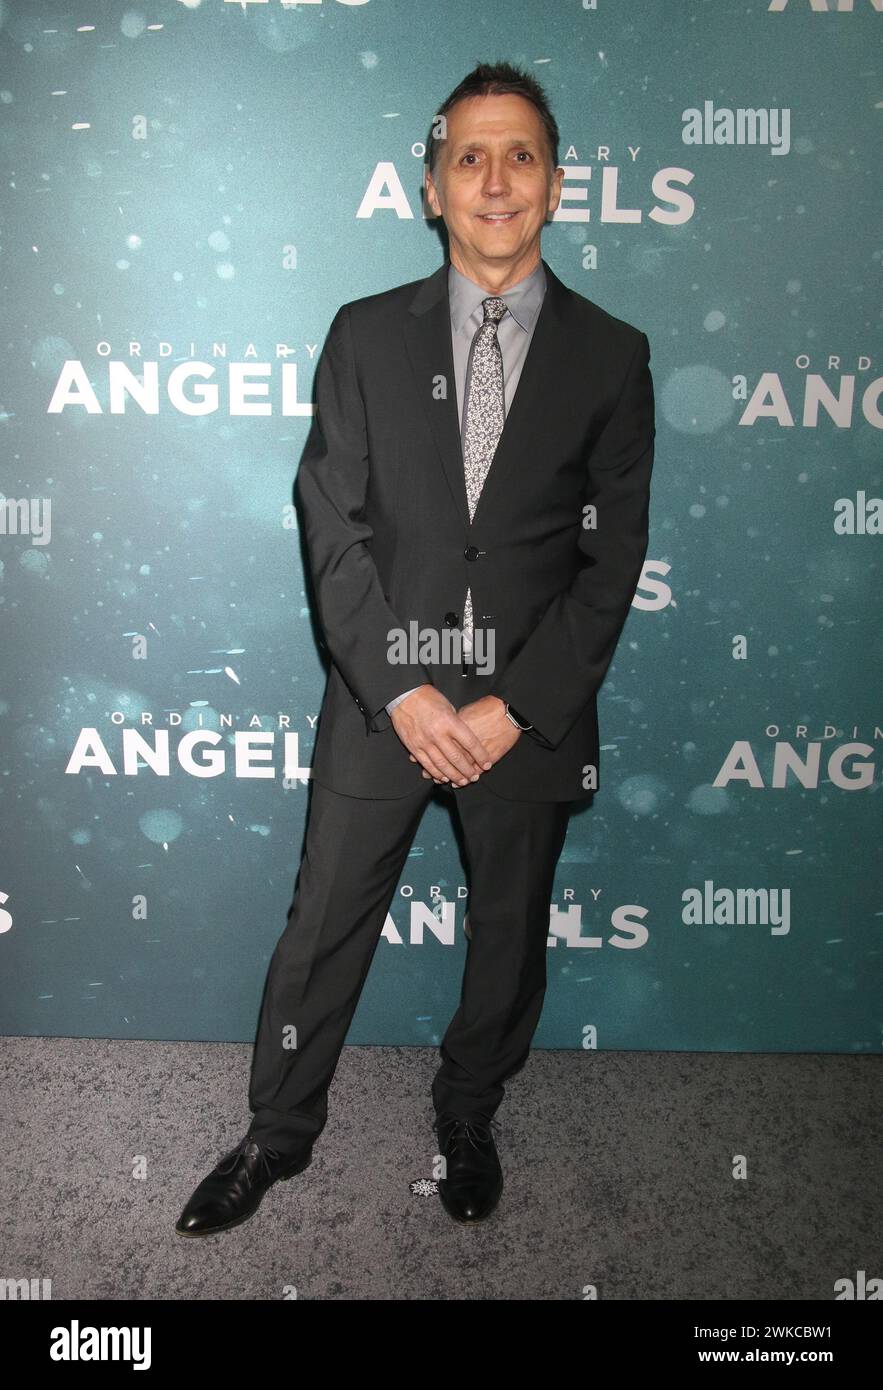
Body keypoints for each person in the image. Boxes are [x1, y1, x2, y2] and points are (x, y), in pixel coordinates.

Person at [176, 60, 655, 1236]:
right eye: (470, 156)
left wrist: (513, 707)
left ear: (556, 185)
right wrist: (400, 688)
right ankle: (276, 1134)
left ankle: (469, 1111)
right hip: (380, 697)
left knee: (507, 931)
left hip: (524, 713)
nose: (496, 178)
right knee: (322, 924)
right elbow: (328, 524)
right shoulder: (362, 336)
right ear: (431, 187)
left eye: (522, 156)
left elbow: (610, 563)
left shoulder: (613, 355)